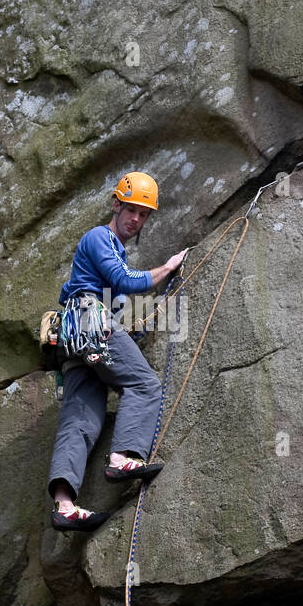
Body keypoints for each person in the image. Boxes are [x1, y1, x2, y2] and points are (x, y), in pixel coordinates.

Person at [47, 171, 188, 530]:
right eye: (131, 210)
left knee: (81, 420)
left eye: (144, 215)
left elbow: (108, 293)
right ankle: (123, 457)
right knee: (144, 385)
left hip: (76, 340)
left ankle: (64, 506)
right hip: (90, 323)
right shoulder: (99, 238)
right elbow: (124, 280)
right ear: (116, 204)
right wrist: (169, 268)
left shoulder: (110, 254)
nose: (136, 219)